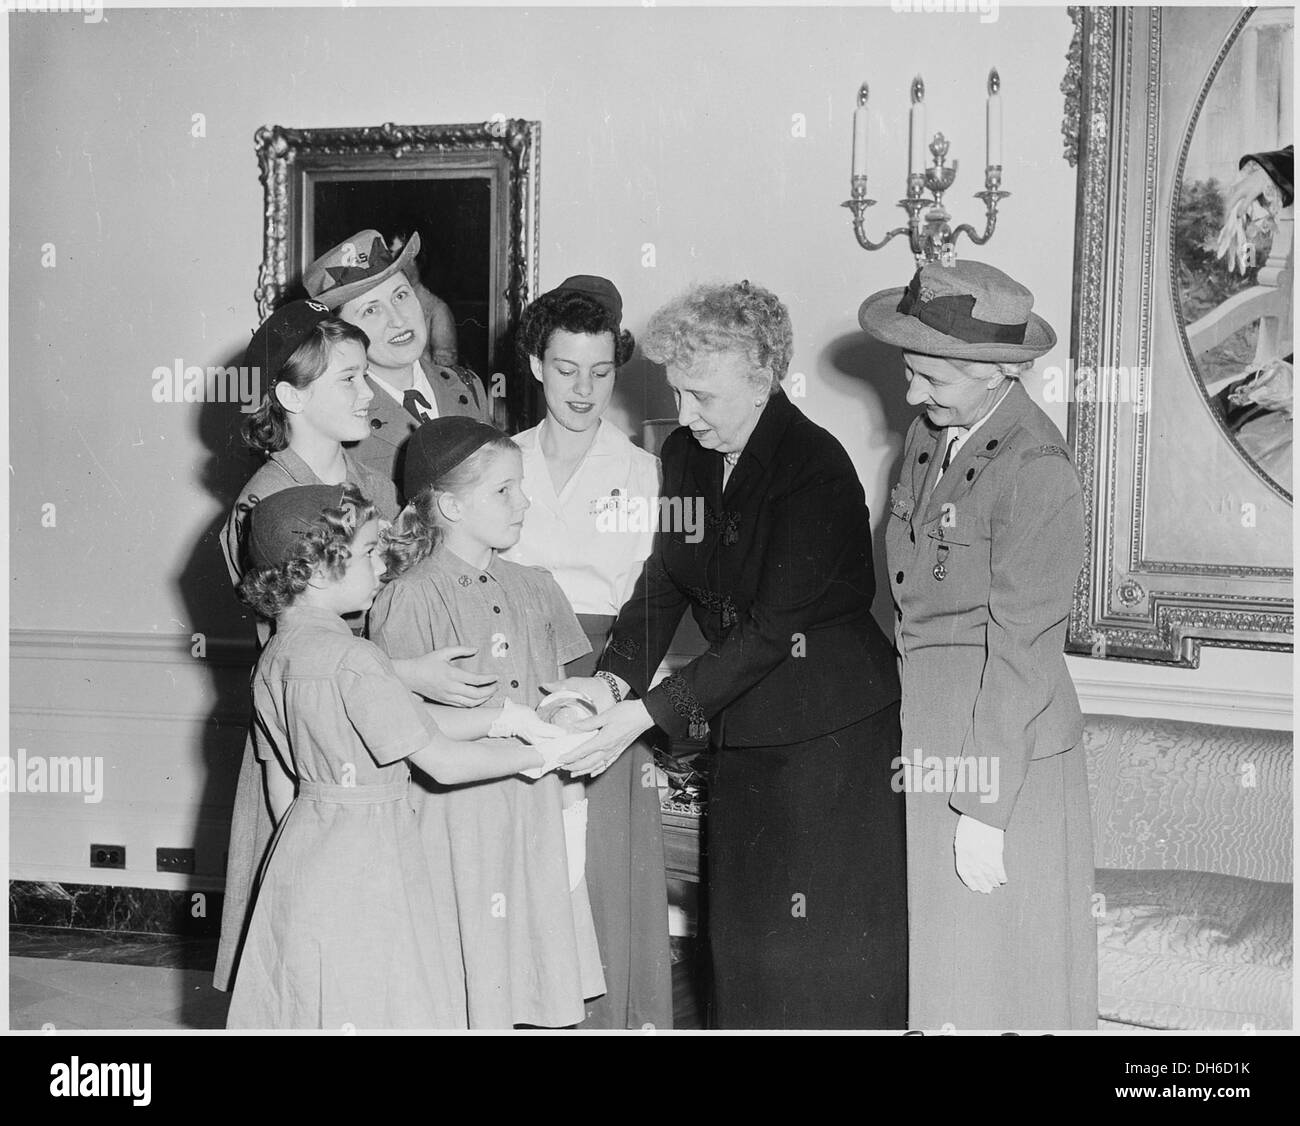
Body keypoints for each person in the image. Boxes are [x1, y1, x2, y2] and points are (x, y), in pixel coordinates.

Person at [550, 281, 907, 1029]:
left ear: (762, 376)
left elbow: (774, 630)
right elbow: (666, 581)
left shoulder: (814, 468)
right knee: (742, 942)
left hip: (828, 739)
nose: (685, 415)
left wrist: (645, 717)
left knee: (817, 952)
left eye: (703, 396)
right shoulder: (686, 453)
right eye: (679, 392)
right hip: (743, 725)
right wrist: (611, 683)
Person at [225, 484, 593, 1029]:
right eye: (370, 551)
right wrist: (542, 752)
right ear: (321, 571)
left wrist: (507, 719)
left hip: (303, 852)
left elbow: (301, 774)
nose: (383, 564)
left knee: (318, 999)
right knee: (388, 1000)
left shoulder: (277, 656)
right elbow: (441, 761)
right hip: (374, 855)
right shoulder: (356, 656)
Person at [213, 301, 488, 993]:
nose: (369, 394)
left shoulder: (366, 483)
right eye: (349, 380)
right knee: (322, 961)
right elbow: (294, 658)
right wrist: (410, 672)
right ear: (289, 395)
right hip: (321, 756)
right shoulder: (267, 505)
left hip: (394, 735)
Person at [859, 258, 1096, 1030]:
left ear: (998, 372)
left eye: (932, 378)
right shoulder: (932, 435)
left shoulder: (1036, 467)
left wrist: (986, 810)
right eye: (910, 371)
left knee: (1004, 982)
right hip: (930, 733)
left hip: (1002, 748)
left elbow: (1024, 650)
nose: (911, 394)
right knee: (944, 973)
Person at [367, 417, 606, 1028]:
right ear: (447, 504)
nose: (523, 501)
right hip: (453, 819)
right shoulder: (408, 596)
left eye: (521, 486)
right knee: (463, 977)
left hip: (534, 808)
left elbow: (558, 691)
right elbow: (397, 726)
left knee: (533, 970)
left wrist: (574, 718)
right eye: (503, 490)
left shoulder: (536, 587)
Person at [502, 275, 672, 1030]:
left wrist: (620, 695)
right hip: (513, 671)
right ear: (537, 364)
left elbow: (651, 604)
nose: (583, 388)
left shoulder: (641, 471)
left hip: (605, 675)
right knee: (522, 866)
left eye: (601, 373)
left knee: (603, 868)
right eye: (566, 369)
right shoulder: (498, 462)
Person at [304, 228, 492, 502]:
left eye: (401, 296)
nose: (398, 319)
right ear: (342, 333)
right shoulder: (336, 420)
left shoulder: (467, 386)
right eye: (371, 309)